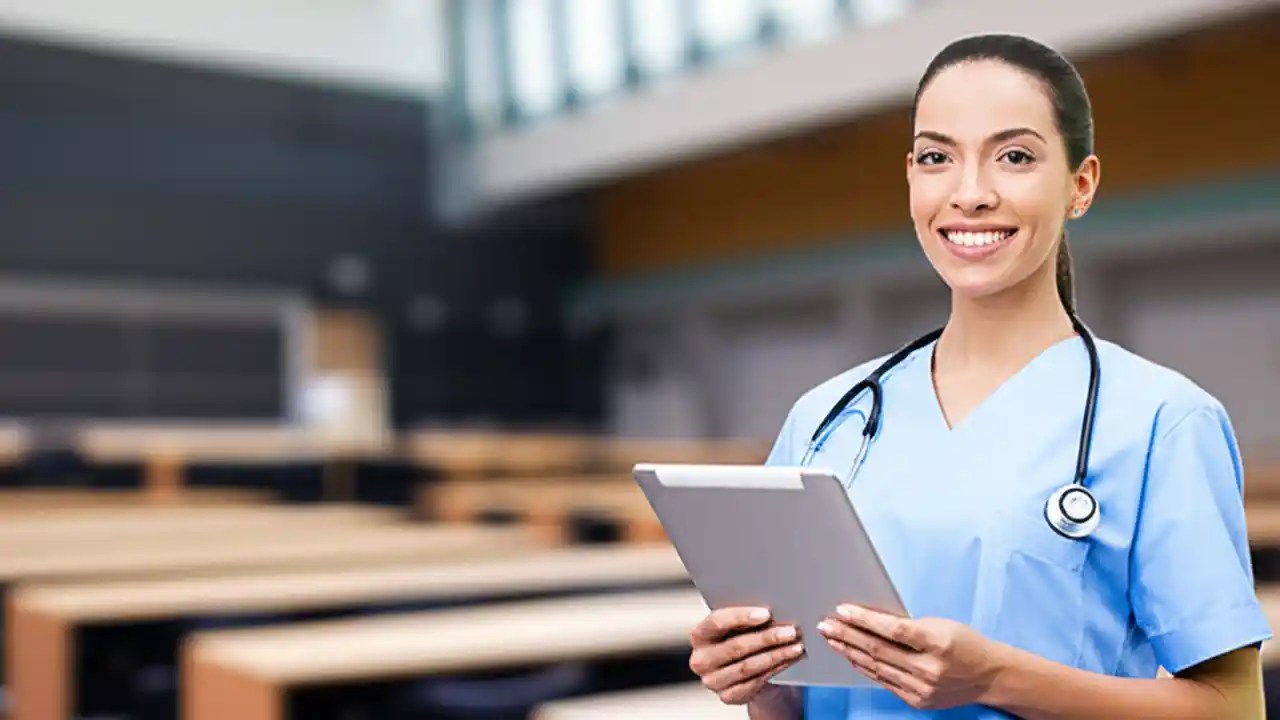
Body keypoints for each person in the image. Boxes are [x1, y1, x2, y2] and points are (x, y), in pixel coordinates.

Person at [685, 33, 1271, 719]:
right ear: (911, 178)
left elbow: (1234, 708)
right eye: (938, 158)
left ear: (1080, 186)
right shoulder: (823, 419)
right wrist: (761, 681)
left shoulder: (1163, 422)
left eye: (1015, 157)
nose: (969, 194)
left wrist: (995, 678)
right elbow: (803, 707)